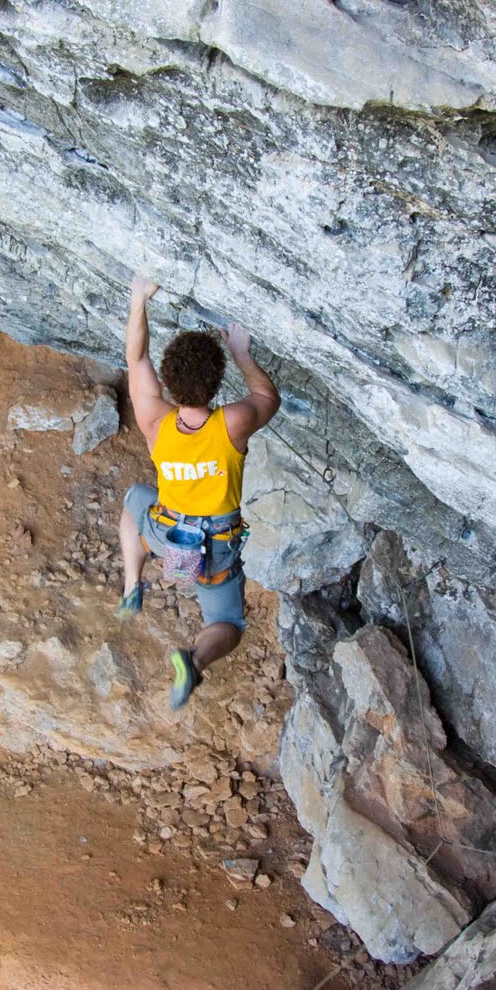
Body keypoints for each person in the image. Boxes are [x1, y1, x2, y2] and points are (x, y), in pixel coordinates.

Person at [114, 273, 281, 709]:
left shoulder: (155, 422)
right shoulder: (233, 423)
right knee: (227, 621)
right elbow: (268, 396)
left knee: (135, 499)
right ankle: (194, 658)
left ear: (168, 382)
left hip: (169, 541)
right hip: (214, 549)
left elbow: (137, 359)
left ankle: (133, 583)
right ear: (216, 382)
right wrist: (242, 353)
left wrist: (138, 301)